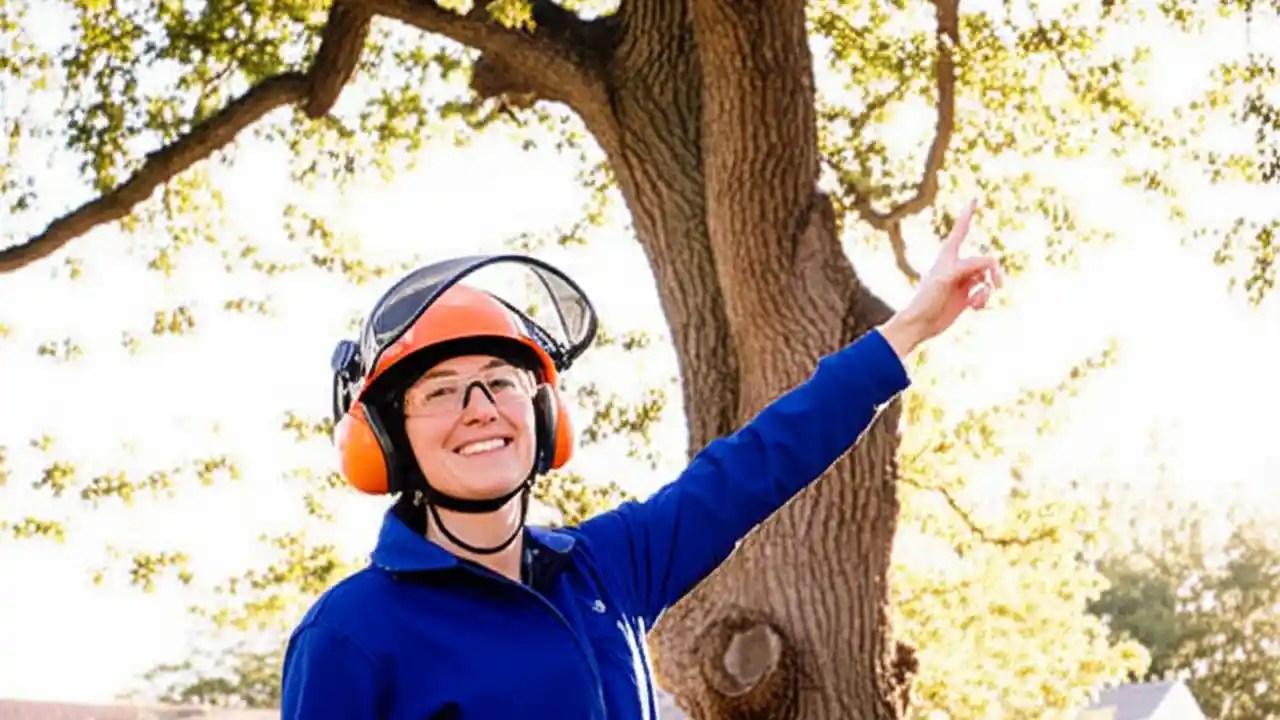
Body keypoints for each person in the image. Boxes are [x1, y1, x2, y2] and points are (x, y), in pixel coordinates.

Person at [280, 201, 1001, 719]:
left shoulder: (605, 567)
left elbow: (760, 462)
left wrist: (910, 327)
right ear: (388, 438)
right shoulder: (350, 634)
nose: (480, 407)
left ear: (542, 416)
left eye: (501, 381)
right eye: (440, 390)